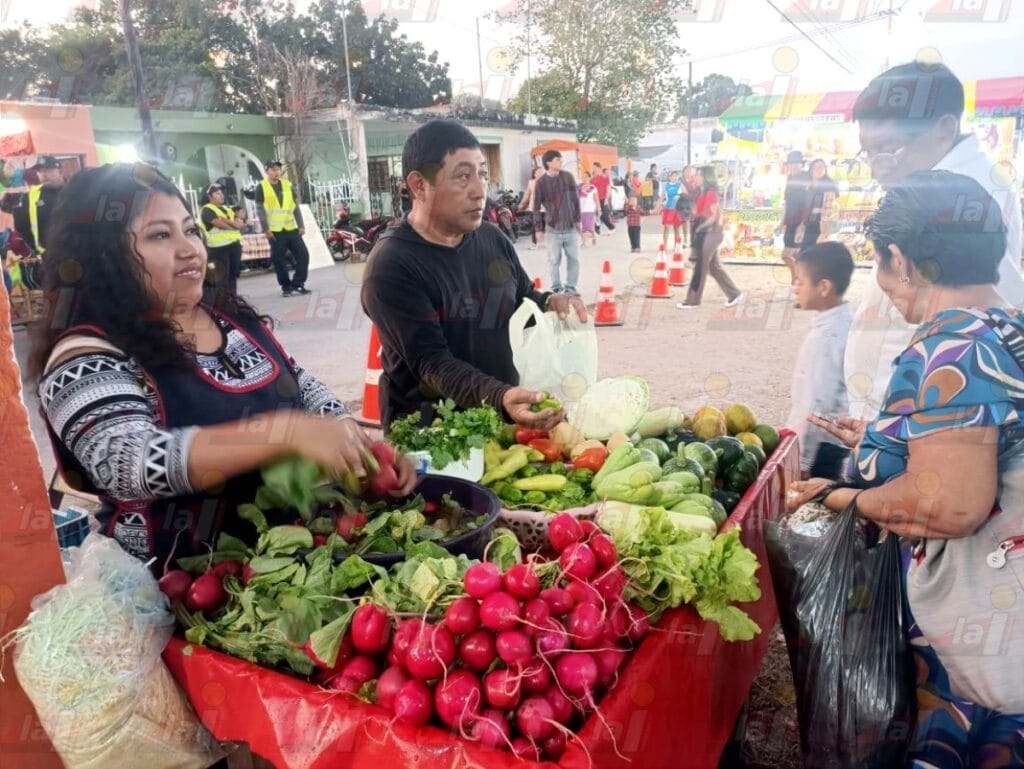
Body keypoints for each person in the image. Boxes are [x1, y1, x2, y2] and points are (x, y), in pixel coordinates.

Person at [30, 163, 416, 567]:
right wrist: (281, 433)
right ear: (102, 253)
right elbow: (127, 462)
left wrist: (355, 442)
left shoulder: (226, 316)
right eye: (160, 235)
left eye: (190, 230)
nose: (189, 249)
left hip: (290, 566)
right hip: (177, 589)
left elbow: (300, 386)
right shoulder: (85, 352)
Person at [787, 171, 1024, 767]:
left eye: (879, 264)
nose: (884, 283)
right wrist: (885, 437)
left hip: (986, 619)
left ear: (901, 258)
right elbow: (982, 441)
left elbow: (948, 504)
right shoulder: (1007, 324)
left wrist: (842, 496)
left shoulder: (952, 343)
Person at [361, 120, 587, 429]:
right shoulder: (391, 266)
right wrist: (500, 396)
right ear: (418, 185)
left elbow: (522, 299)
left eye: (482, 174)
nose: (480, 191)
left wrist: (551, 302)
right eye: (463, 176)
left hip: (502, 421)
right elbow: (432, 363)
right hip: (433, 436)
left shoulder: (491, 238)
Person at [844, 61, 1024, 422]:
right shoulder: (931, 189)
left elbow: (984, 328)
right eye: (868, 152)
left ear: (944, 128)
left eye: (889, 149)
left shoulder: (966, 200)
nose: (877, 166)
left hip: (927, 426)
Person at [785, 242, 855, 480]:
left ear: (823, 287)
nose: (796, 288)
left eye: (800, 282)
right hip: (832, 443)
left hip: (820, 449)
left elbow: (816, 404)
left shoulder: (825, 339)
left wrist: (802, 461)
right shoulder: (844, 322)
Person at [677, 166, 744, 309]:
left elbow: (714, 215)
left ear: (705, 177)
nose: (695, 178)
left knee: (701, 265)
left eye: (698, 175)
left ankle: (693, 300)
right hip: (708, 232)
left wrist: (701, 226)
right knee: (713, 267)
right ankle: (734, 293)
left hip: (710, 233)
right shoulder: (704, 192)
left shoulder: (711, 192)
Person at [255, 159, 311, 298]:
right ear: (267, 171)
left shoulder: (287, 185)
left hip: (290, 227)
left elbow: (294, 206)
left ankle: (297, 283)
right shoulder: (261, 187)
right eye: (273, 169)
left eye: (278, 169)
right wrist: (266, 229)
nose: (276, 172)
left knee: (303, 255)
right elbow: (260, 210)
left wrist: (301, 224)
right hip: (274, 230)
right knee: (279, 260)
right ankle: (286, 287)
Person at [532, 149, 581, 295]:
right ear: (548, 162)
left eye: (561, 159)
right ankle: (556, 288)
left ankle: (571, 287)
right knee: (554, 261)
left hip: (571, 228)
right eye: (558, 159)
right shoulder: (540, 183)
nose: (561, 162)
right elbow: (535, 207)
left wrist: (578, 220)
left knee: (574, 259)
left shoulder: (568, 177)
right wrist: (538, 229)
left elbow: (576, 201)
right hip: (552, 229)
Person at [0, 155, 66, 257]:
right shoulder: (31, 195)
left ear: (60, 171)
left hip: (81, 251)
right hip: (51, 255)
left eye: (48, 170)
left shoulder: (74, 191)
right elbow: (22, 226)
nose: (43, 175)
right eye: (40, 171)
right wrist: (38, 250)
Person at [198, 183, 244, 296]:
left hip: (234, 246)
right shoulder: (207, 210)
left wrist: (227, 221)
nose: (221, 195)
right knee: (222, 279)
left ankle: (233, 300)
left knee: (233, 276)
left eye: (221, 192)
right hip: (218, 249)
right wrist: (231, 224)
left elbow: (240, 224)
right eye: (217, 193)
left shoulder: (227, 209)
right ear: (210, 196)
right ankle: (222, 304)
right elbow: (220, 224)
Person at [778, 150, 811, 281]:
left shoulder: (806, 177)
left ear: (801, 164)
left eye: (796, 163)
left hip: (801, 221)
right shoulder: (790, 178)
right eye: (791, 163)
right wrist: (782, 222)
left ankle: (797, 278)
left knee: (788, 254)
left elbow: (808, 202)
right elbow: (786, 202)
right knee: (793, 254)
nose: (793, 166)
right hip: (790, 221)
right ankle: (797, 278)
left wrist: (803, 224)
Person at [800, 159, 838, 253]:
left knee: (816, 255)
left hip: (821, 225)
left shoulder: (829, 185)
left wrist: (824, 233)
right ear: (811, 169)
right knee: (805, 254)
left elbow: (830, 210)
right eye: (816, 167)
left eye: (821, 167)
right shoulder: (808, 185)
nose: (819, 169)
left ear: (825, 169)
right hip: (807, 224)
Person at [518, 166, 546, 250]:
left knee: (545, 224)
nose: (540, 173)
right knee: (535, 226)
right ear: (534, 174)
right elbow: (527, 195)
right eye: (538, 172)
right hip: (534, 207)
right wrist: (522, 204)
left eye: (542, 172)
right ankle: (534, 243)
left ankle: (543, 240)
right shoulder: (531, 182)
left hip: (545, 207)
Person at [660, 170, 684, 250]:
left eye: (676, 176)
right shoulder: (666, 186)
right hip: (668, 209)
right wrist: (656, 207)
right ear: (669, 178)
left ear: (678, 177)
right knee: (667, 227)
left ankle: (676, 246)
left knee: (676, 228)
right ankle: (665, 245)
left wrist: (680, 196)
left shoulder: (680, 185)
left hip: (677, 209)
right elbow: (662, 197)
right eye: (673, 176)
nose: (675, 177)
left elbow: (686, 195)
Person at [591, 162, 616, 235]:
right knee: (596, 215)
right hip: (595, 199)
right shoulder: (593, 179)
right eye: (593, 168)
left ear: (599, 168)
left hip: (603, 199)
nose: (593, 169)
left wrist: (606, 198)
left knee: (603, 215)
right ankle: (596, 229)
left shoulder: (605, 177)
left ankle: (612, 227)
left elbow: (608, 188)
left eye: (594, 167)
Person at [578, 170, 599, 247]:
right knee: (581, 227)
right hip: (581, 210)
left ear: (589, 178)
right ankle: (584, 242)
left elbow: (596, 199)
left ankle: (593, 237)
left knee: (590, 227)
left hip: (589, 210)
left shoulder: (593, 188)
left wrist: (598, 209)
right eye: (583, 177)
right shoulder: (579, 187)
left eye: (586, 177)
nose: (584, 178)